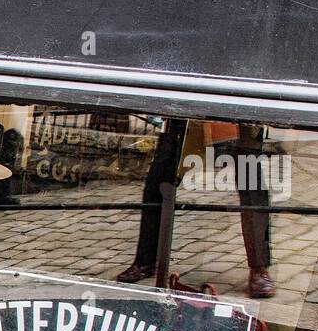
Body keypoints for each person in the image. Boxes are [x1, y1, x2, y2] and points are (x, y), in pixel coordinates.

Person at [116, 120, 276, 299]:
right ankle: (145, 260)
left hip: (238, 105)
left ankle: (259, 267)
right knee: (160, 177)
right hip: (190, 114)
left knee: (251, 177)